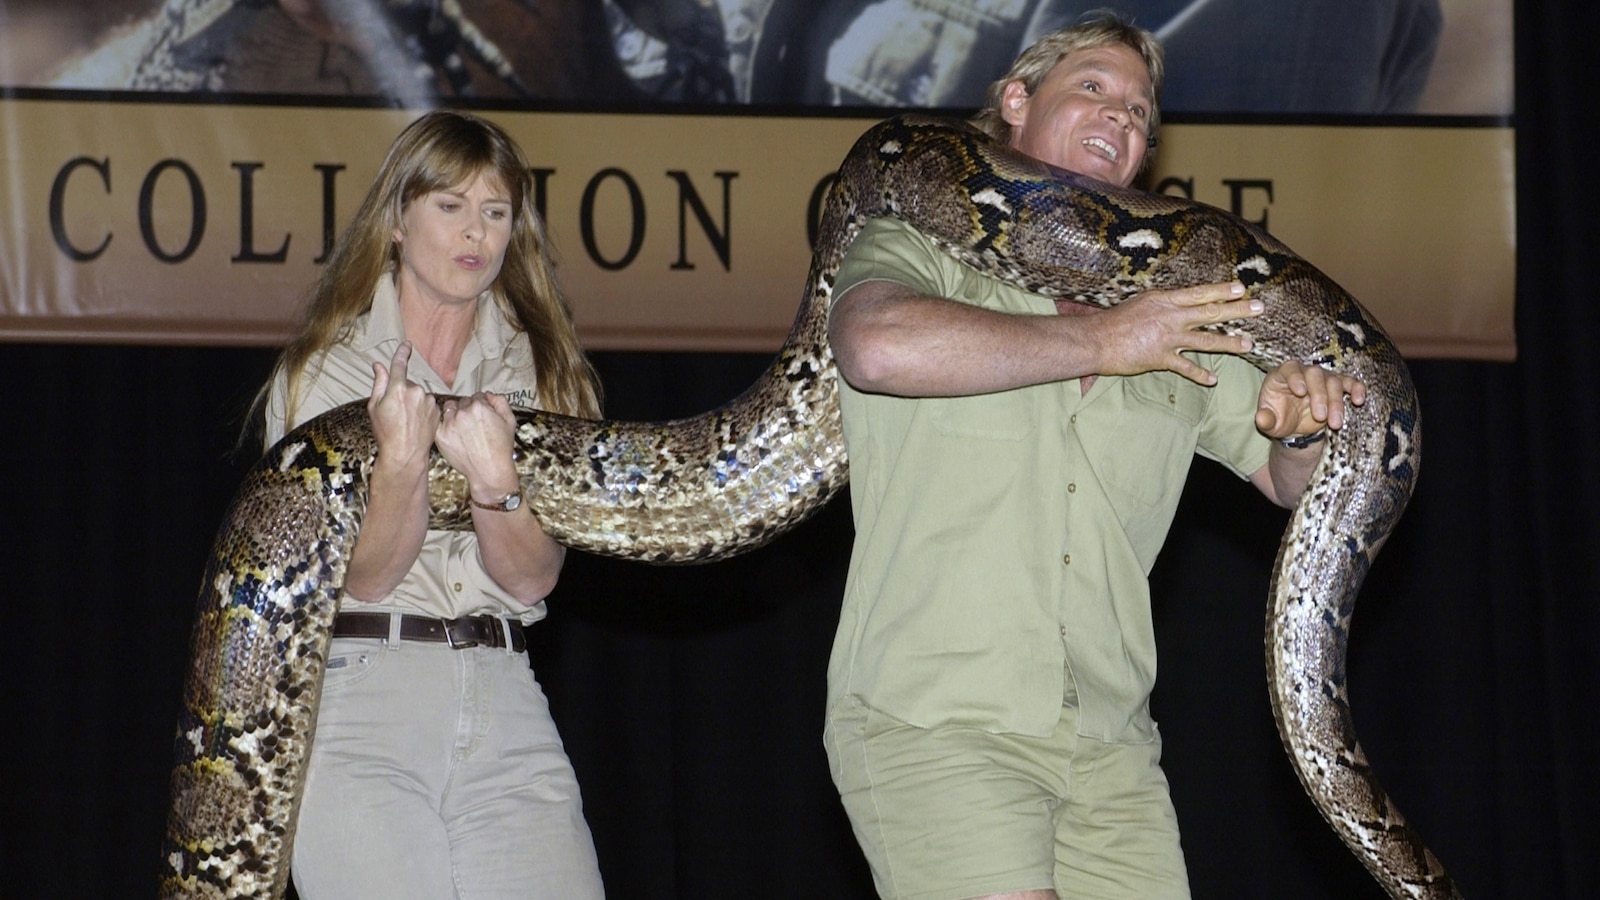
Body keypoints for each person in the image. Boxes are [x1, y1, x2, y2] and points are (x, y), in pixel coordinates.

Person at [822, 11, 1367, 900]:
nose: (1122, 115)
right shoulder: (920, 239)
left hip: (1111, 745)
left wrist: (1303, 430)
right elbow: (875, 348)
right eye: (1093, 87)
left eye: (1141, 111)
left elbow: (1283, 480)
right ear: (1015, 100)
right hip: (937, 722)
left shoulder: (1177, 308)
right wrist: (1108, 341)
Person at [254, 110, 605, 899]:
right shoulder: (325, 374)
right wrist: (404, 462)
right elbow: (367, 576)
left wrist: (495, 482)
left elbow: (532, 579)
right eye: (450, 206)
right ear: (397, 221)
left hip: (505, 693)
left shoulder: (546, 372)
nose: (475, 231)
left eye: (495, 211)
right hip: (360, 702)